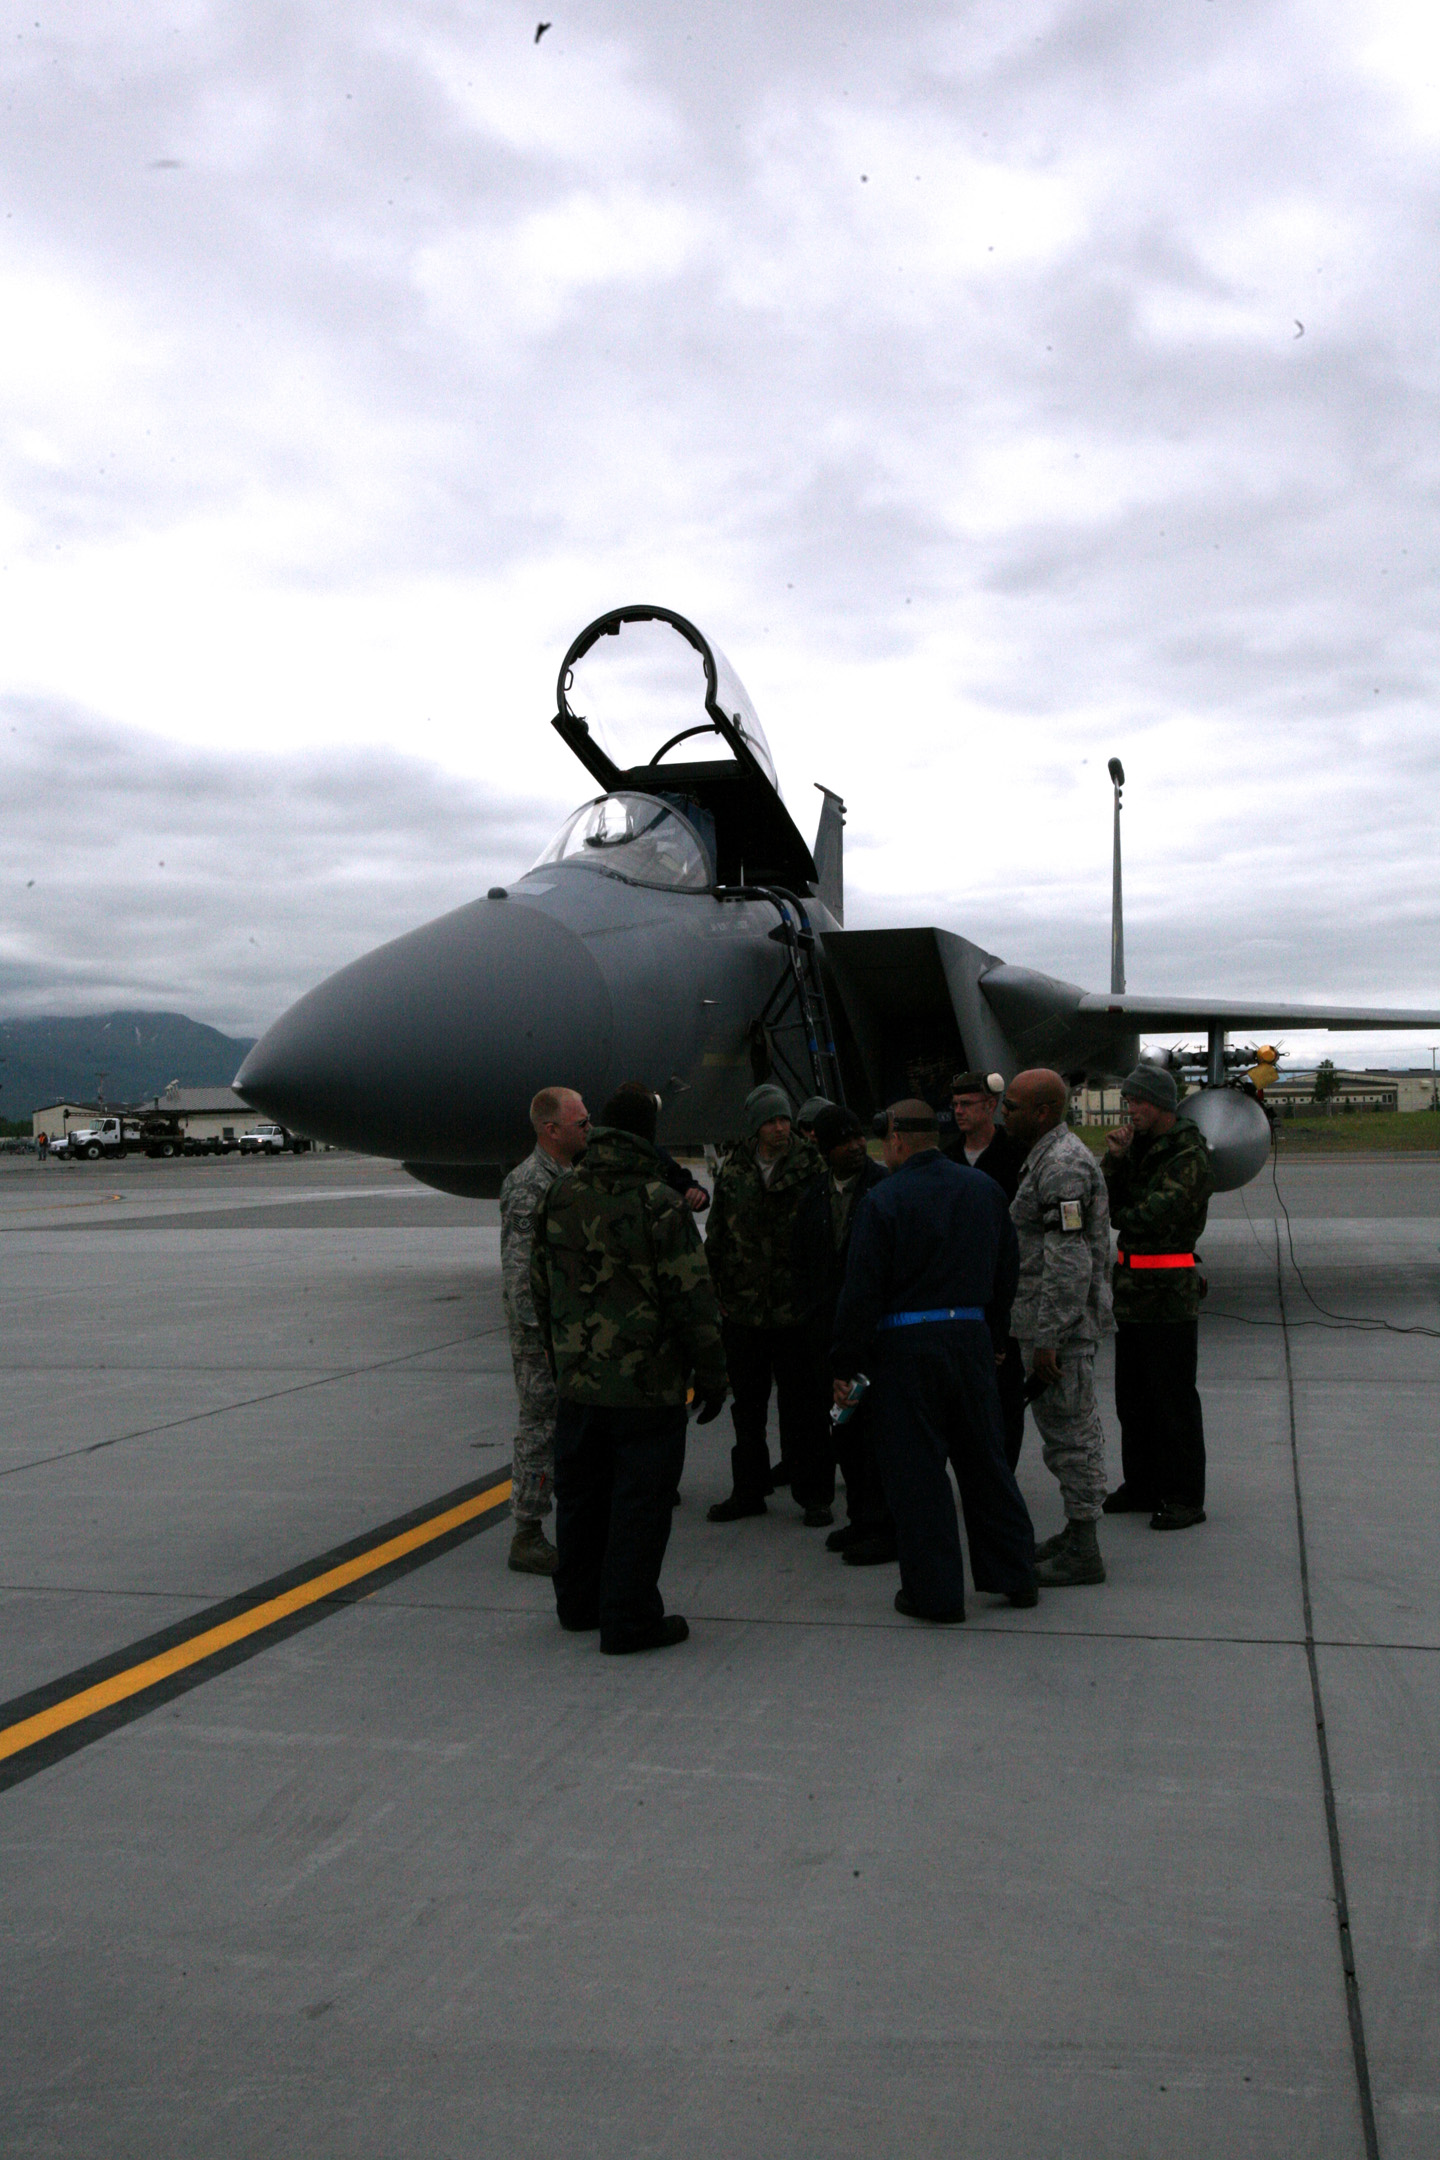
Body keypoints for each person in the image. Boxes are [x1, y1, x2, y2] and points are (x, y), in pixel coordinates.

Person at [529, 1085, 728, 1654]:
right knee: (639, 1506)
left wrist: (562, 1358)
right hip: (646, 1389)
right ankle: (630, 1619)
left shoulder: (561, 1194)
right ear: (649, 1135)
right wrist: (713, 1375)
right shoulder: (658, 1202)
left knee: (583, 1498)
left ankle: (579, 1604)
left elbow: (540, 1289)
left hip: (580, 1386)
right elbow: (692, 1298)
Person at [831, 1100, 1036, 1622]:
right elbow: (1007, 1268)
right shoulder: (983, 1190)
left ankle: (936, 1594)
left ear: (897, 1140)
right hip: (969, 1341)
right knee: (986, 1465)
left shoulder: (883, 1200)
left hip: (906, 1350)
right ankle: (1015, 1575)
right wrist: (994, 1334)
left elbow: (861, 1292)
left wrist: (846, 1363)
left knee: (918, 1475)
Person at [1002, 1069, 1114, 1587]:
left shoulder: (1063, 1165)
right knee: (1066, 1433)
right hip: (1046, 1323)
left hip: (1059, 1331)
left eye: (1014, 1107)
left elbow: (1068, 1261)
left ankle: (1085, 1549)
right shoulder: (1047, 1158)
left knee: (1072, 1436)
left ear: (1044, 1112)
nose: (1006, 1114)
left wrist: (1049, 1337)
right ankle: (1076, 1532)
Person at [704, 1082, 827, 1524]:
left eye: (783, 1120)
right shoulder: (735, 1170)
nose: (779, 1128)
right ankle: (749, 1490)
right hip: (744, 1313)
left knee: (803, 1407)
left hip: (793, 1312)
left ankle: (814, 1494)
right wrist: (717, 1291)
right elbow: (717, 1235)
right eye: (770, 1121)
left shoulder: (812, 1167)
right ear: (755, 1126)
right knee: (748, 1410)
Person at [1102, 1065, 1215, 1531]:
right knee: (1133, 1398)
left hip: (1169, 1297)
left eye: (1140, 1103)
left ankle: (1185, 1496)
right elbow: (1109, 1203)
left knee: (1172, 1400)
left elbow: (1154, 1213)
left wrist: (1125, 1209)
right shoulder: (1140, 1150)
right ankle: (1143, 1484)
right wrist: (1116, 1161)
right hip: (1133, 1296)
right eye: (1129, 1102)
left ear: (1162, 1105)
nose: (1132, 1110)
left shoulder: (1188, 1152)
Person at [792, 1105, 894, 1564]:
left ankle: (882, 1525)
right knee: (842, 1430)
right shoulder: (813, 1195)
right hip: (826, 1335)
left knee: (875, 1434)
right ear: (824, 1147)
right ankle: (860, 1519)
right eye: (844, 1139)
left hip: (871, 1335)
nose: (855, 1145)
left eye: (859, 1137)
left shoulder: (883, 1188)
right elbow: (802, 1260)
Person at [499, 1086, 591, 1574]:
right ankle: (527, 1534)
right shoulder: (530, 1184)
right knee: (539, 1431)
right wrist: (541, 1341)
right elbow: (518, 1276)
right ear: (551, 1129)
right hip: (542, 1341)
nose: (588, 1129)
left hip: (567, 1334)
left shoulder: (568, 1177)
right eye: (581, 1123)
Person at [945, 1070, 1026, 1468]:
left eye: (968, 1104)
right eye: (955, 1105)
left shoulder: (1015, 1154)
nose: (959, 1112)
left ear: (990, 1106)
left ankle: (1003, 1470)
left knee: (1005, 1392)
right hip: (957, 1290)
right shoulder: (947, 1157)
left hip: (1003, 1287)